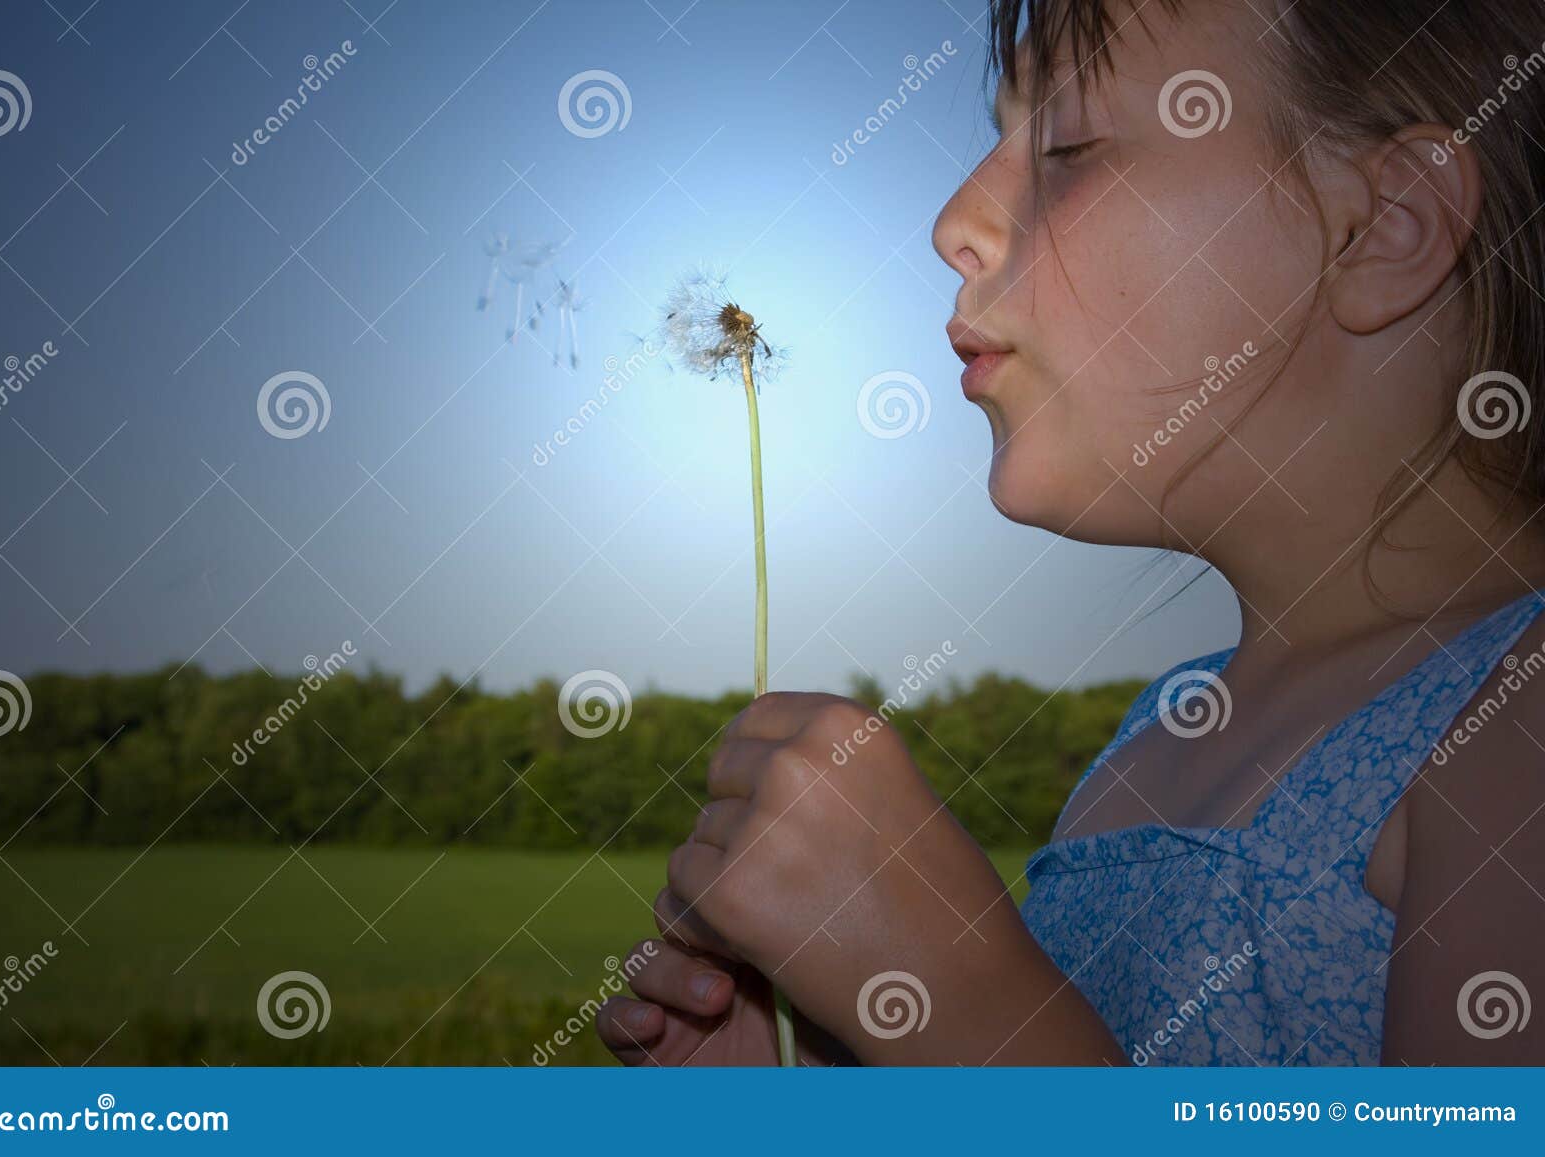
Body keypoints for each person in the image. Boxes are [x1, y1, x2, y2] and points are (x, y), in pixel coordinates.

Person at [596, 0, 1545, 1066]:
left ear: (1381, 225)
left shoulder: (1515, 729)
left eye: (1068, 147)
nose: (954, 220)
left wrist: (961, 1000)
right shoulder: (1149, 751)